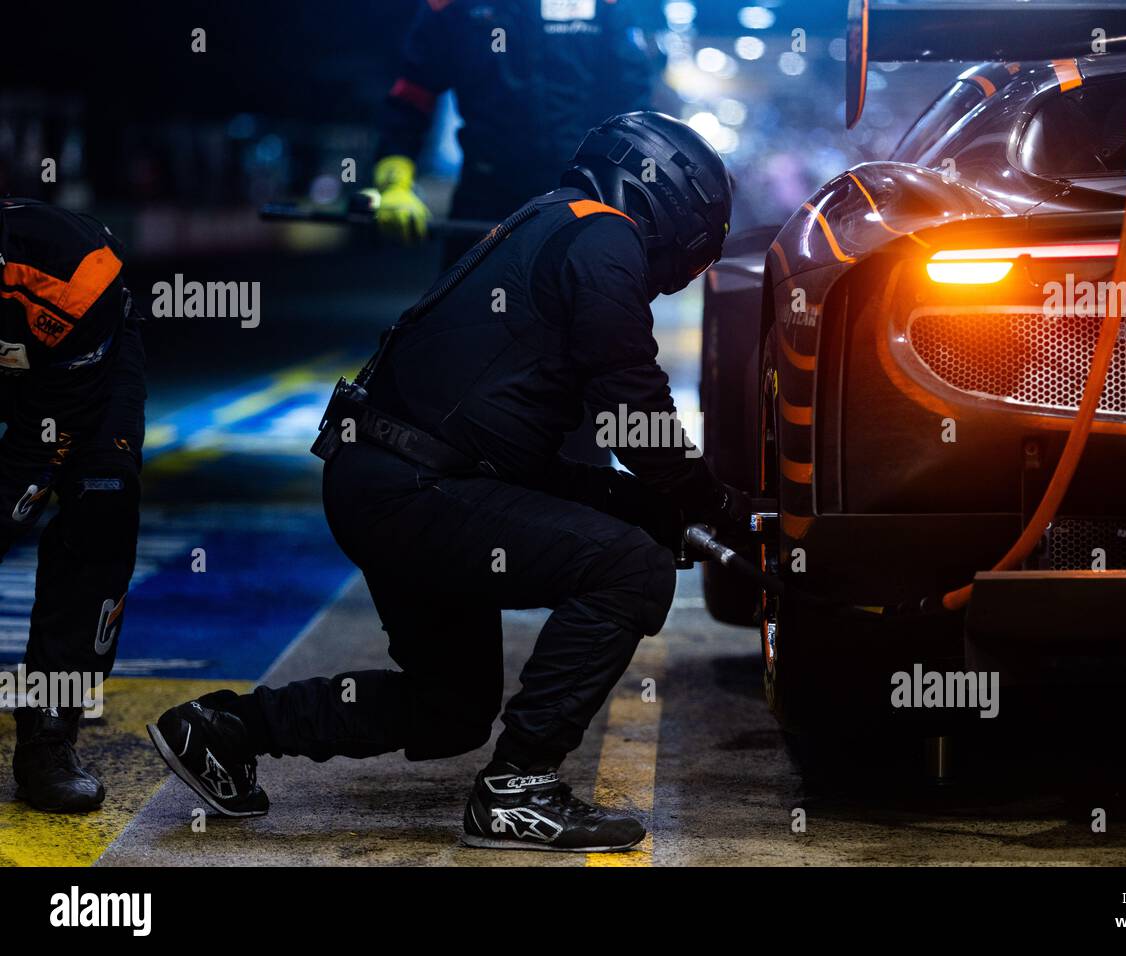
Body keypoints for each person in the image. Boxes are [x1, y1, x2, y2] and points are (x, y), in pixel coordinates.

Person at [147, 112, 747, 852]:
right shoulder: (603, 236)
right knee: (630, 567)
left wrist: (645, 500)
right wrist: (710, 504)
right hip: (415, 488)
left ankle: (228, 728)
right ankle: (518, 789)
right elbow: (632, 407)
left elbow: (517, 446)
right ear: (670, 201)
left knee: (451, 708)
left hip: (390, 476)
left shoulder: (549, 220)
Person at [0, 198, 146, 812]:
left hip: (79, 371)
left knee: (101, 505)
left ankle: (49, 734)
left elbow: (39, 451)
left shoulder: (73, 273)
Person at [372, 0, 664, 248]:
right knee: (468, 312)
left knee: (587, 311)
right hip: (485, 198)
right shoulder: (450, 5)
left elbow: (634, 103)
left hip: (582, 196)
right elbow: (411, 98)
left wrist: (639, 189)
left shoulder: (603, 4)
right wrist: (395, 184)